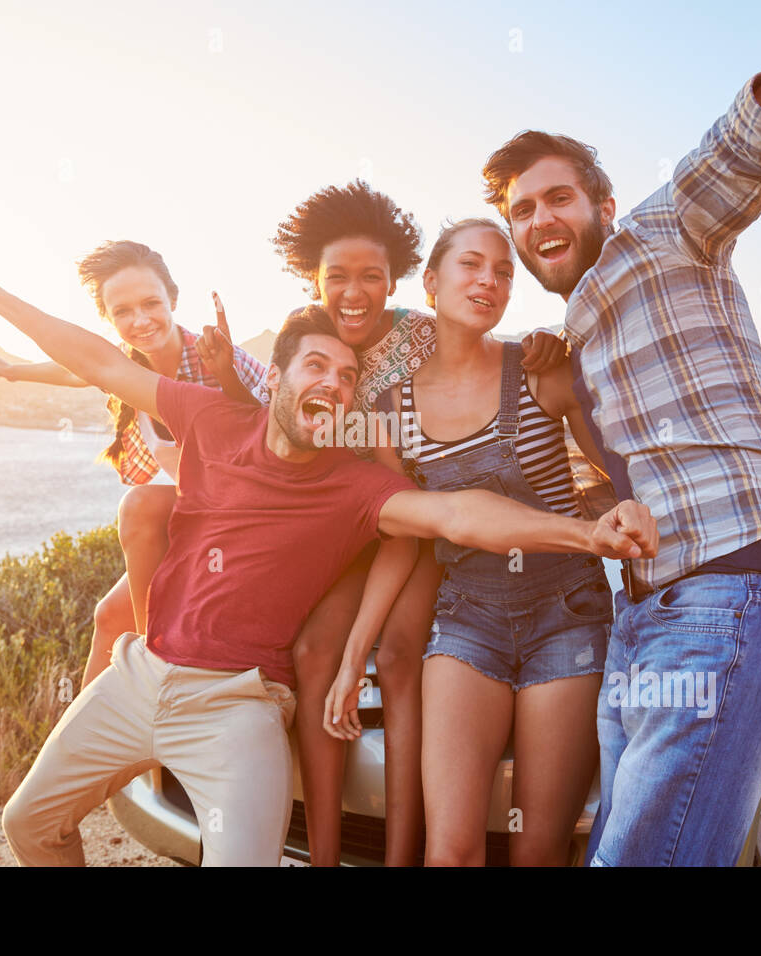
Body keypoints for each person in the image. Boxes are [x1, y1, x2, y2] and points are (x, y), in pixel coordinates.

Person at [0, 249, 657, 865]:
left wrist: (588, 536)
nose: (334, 386)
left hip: (236, 706)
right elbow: (96, 360)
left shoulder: (356, 486)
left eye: (347, 379)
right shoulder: (210, 416)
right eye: (317, 366)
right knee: (27, 822)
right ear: (275, 376)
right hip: (140, 675)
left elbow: (459, 514)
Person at [480, 0, 761, 865]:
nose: (541, 218)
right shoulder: (571, 343)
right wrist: (567, 413)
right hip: (643, 621)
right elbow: (622, 481)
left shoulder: (668, 234)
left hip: (731, 600)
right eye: (522, 210)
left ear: (603, 204)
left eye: (558, 197)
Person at [272, 180, 571, 865]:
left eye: (370, 277)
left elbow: (491, 348)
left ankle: (403, 853)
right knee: (317, 653)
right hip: (352, 533)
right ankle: (323, 853)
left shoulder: (424, 333)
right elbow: (271, 407)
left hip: (421, 528)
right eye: (335, 279)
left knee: (402, 654)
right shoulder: (308, 339)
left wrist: (548, 344)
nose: (352, 293)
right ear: (311, 281)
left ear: (401, 280)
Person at [324, 218, 616, 866]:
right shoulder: (392, 407)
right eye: (471, 266)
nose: (489, 280)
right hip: (467, 620)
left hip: (567, 612)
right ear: (431, 282)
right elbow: (403, 534)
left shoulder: (541, 372)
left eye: (504, 272)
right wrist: (351, 659)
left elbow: (623, 468)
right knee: (449, 850)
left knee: (536, 848)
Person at [0, 241, 268, 688]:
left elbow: (280, 430)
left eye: (151, 304)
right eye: (123, 311)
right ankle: (82, 750)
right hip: (200, 511)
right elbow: (76, 369)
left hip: (252, 517)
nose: (141, 320)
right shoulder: (126, 364)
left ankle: (153, 669)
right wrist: (13, 371)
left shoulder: (218, 358)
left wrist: (227, 373)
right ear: (108, 319)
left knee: (142, 506)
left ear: (173, 299)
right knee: (110, 616)